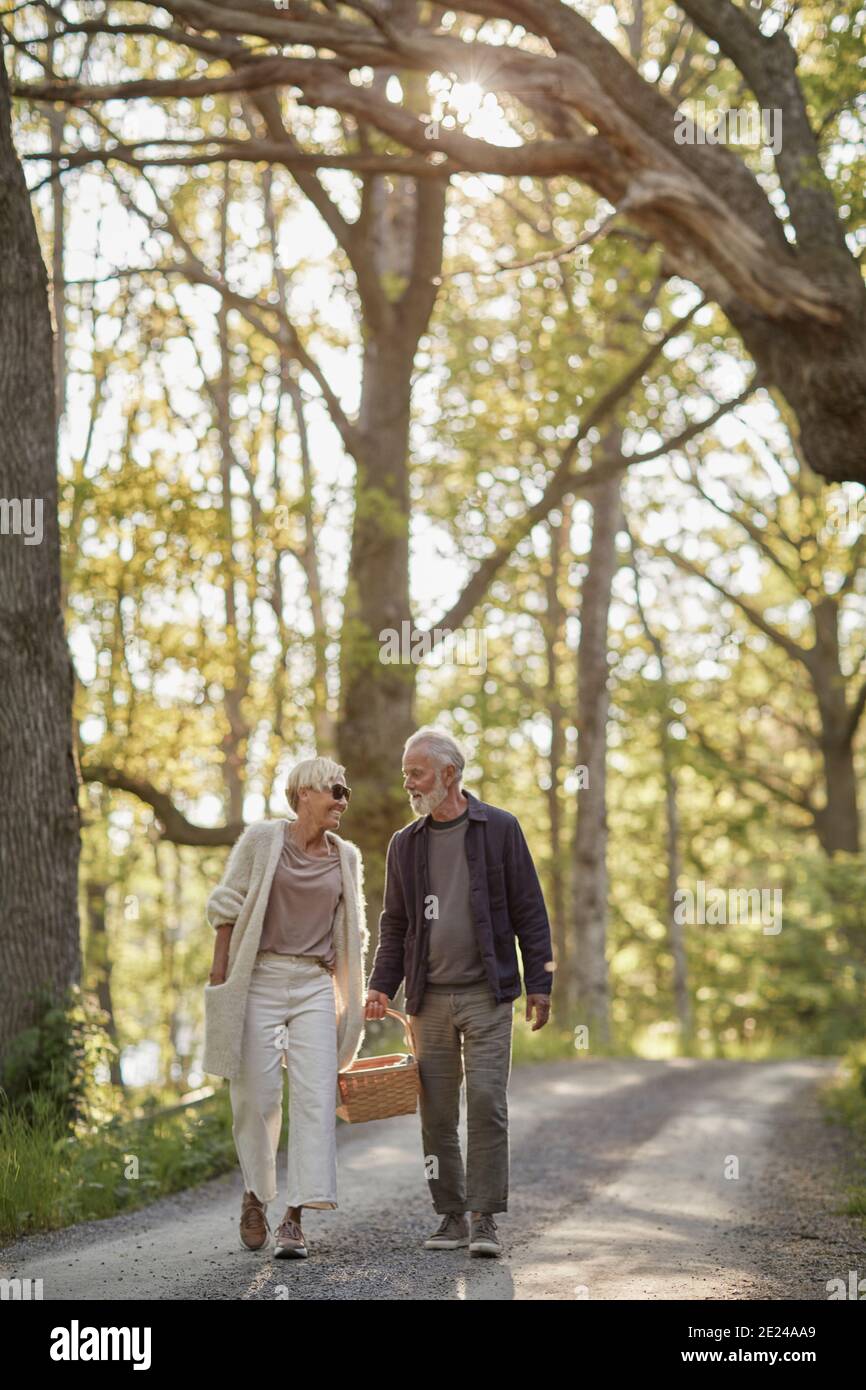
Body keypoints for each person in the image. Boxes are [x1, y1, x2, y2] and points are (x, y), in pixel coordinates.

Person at [365, 726, 553, 1257]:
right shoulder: (405, 844)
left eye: (416, 772)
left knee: (489, 1101)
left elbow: (529, 910)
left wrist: (539, 982)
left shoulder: (499, 829)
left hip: (487, 994)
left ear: (449, 774)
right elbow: (395, 924)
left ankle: (484, 1217)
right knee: (438, 1112)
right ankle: (450, 1215)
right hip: (428, 999)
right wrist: (382, 985)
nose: (409, 783)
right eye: (406, 773)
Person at [203, 757, 367, 1258]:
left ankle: (294, 1217)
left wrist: (358, 992)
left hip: (315, 983)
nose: (342, 800)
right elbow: (227, 903)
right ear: (303, 794)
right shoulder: (261, 840)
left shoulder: (346, 856)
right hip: (262, 978)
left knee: (316, 1094)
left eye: (346, 791)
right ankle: (255, 1194)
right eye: (334, 790)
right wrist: (219, 972)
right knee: (257, 1093)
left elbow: (352, 930)